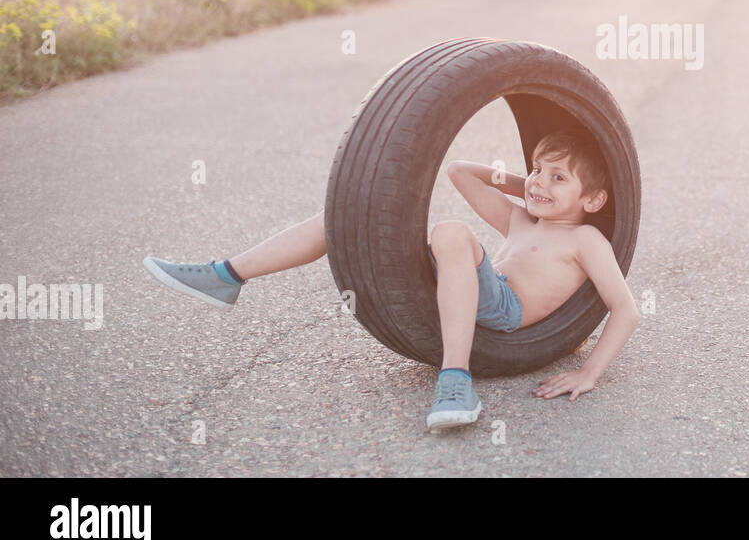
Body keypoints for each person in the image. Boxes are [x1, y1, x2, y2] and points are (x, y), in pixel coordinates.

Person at [142, 129, 640, 429]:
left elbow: (626, 309)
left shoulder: (585, 242)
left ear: (593, 200)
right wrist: (530, 184)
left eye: (559, 178)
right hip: (464, 288)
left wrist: (588, 373)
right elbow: (461, 172)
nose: (539, 182)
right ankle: (226, 274)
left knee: (450, 230)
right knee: (347, 212)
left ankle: (456, 379)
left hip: (506, 311)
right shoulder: (521, 219)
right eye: (538, 170)